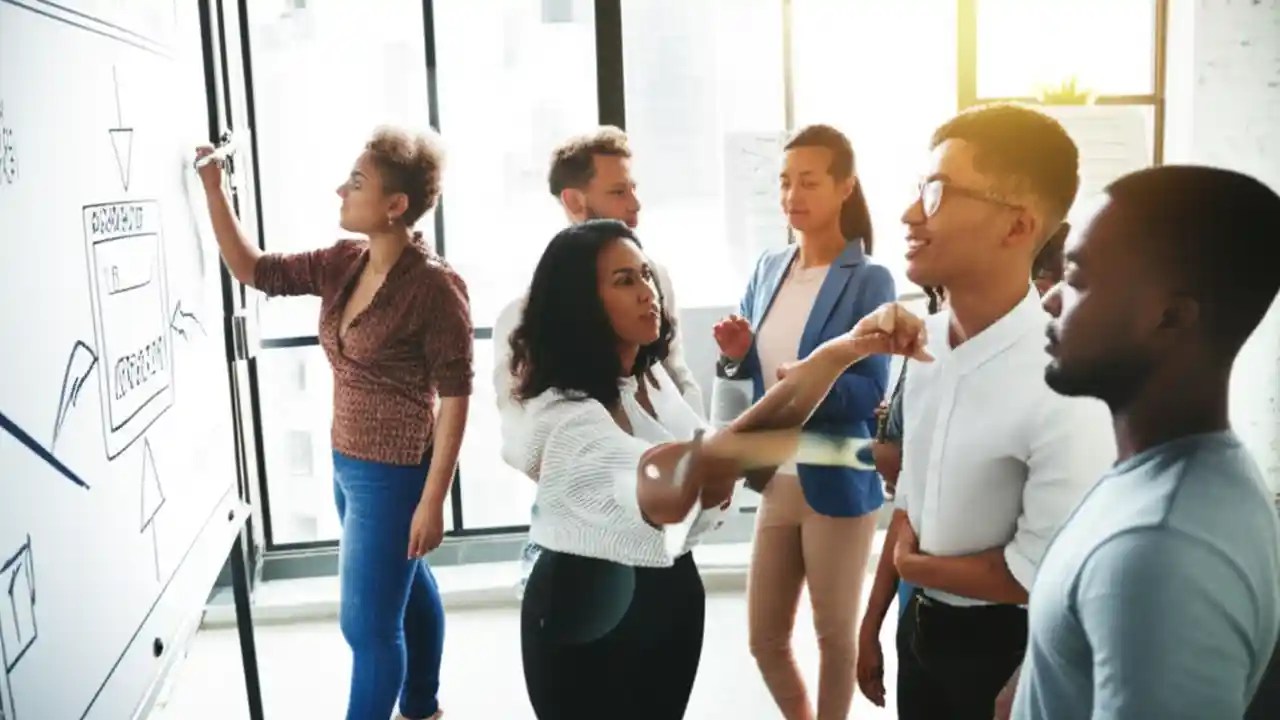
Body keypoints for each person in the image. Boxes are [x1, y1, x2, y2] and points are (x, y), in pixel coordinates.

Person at [502, 218, 930, 720]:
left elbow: (732, 451)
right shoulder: (563, 415)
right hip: (587, 607)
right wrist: (834, 355)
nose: (648, 291)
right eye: (624, 281)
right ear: (581, 304)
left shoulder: (652, 379)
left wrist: (845, 352)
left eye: (645, 274)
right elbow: (680, 483)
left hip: (668, 593)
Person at [196, 126, 472, 720]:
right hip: (347, 462)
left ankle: (410, 704)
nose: (340, 191)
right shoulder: (343, 261)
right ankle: (423, 707)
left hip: (398, 474)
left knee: (367, 630)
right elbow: (253, 269)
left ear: (396, 206)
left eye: (356, 182)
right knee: (409, 584)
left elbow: (455, 396)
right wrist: (214, 188)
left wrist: (433, 499)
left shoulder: (435, 286)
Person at [854, 103, 1117, 719]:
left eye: (938, 193)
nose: (910, 213)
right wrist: (872, 621)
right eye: (921, 189)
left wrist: (913, 563)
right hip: (918, 627)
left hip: (1007, 652)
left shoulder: (1065, 383)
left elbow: (1040, 573)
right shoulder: (923, 347)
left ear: (1018, 225)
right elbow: (909, 502)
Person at [999, 165, 1280, 719]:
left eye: (1077, 278)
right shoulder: (1173, 472)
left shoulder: (1158, 551)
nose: (1051, 299)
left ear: (1170, 317)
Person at [711, 123, 894, 720]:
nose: (793, 195)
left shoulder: (871, 280)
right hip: (776, 474)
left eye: (809, 182)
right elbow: (747, 385)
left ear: (845, 187)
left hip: (837, 471)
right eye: (785, 182)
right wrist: (735, 355)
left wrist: (811, 374)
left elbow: (870, 392)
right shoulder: (768, 268)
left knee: (834, 639)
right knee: (764, 639)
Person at [493, 126, 702, 596]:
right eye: (617, 191)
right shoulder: (524, 316)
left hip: (663, 516)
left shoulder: (657, 281)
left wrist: (678, 461)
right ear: (574, 200)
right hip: (581, 525)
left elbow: (677, 378)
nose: (635, 204)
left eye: (634, 188)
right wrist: (604, 469)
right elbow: (522, 437)